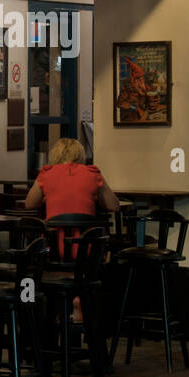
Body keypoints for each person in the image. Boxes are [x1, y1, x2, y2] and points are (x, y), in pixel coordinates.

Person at [23, 137, 121, 321]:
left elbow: (29, 204)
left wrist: (48, 197)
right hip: (87, 253)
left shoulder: (46, 173)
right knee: (92, 263)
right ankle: (78, 299)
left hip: (51, 251)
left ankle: (33, 313)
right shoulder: (92, 173)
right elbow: (114, 205)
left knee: (26, 275)